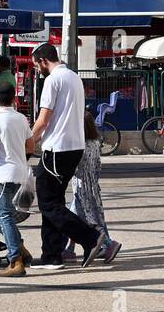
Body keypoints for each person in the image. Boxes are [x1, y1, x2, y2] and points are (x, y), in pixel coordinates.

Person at [27, 42, 106, 269]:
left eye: (36, 65)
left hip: (57, 148)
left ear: (43, 60)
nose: (37, 70)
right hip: (75, 146)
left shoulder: (53, 80)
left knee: (48, 203)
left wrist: (28, 140)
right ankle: (52, 255)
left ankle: (90, 239)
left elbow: (44, 119)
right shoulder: (74, 77)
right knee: (55, 201)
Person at [0, 83, 34, 277]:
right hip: (21, 173)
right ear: (14, 98)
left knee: (3, 217)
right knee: (7, 217)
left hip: (3, 174)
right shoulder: (21, 118)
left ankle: (15, 260)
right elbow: (30, 146)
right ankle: (22, 252)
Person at [61, 110, 122, 264]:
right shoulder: (95, 143)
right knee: (77, 216)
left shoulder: (80, 146)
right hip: (93, 184)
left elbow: (74, 167)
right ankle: (69, 249)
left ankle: (109, 244)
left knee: (88, 219)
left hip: (81, 185)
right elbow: (97, 165)